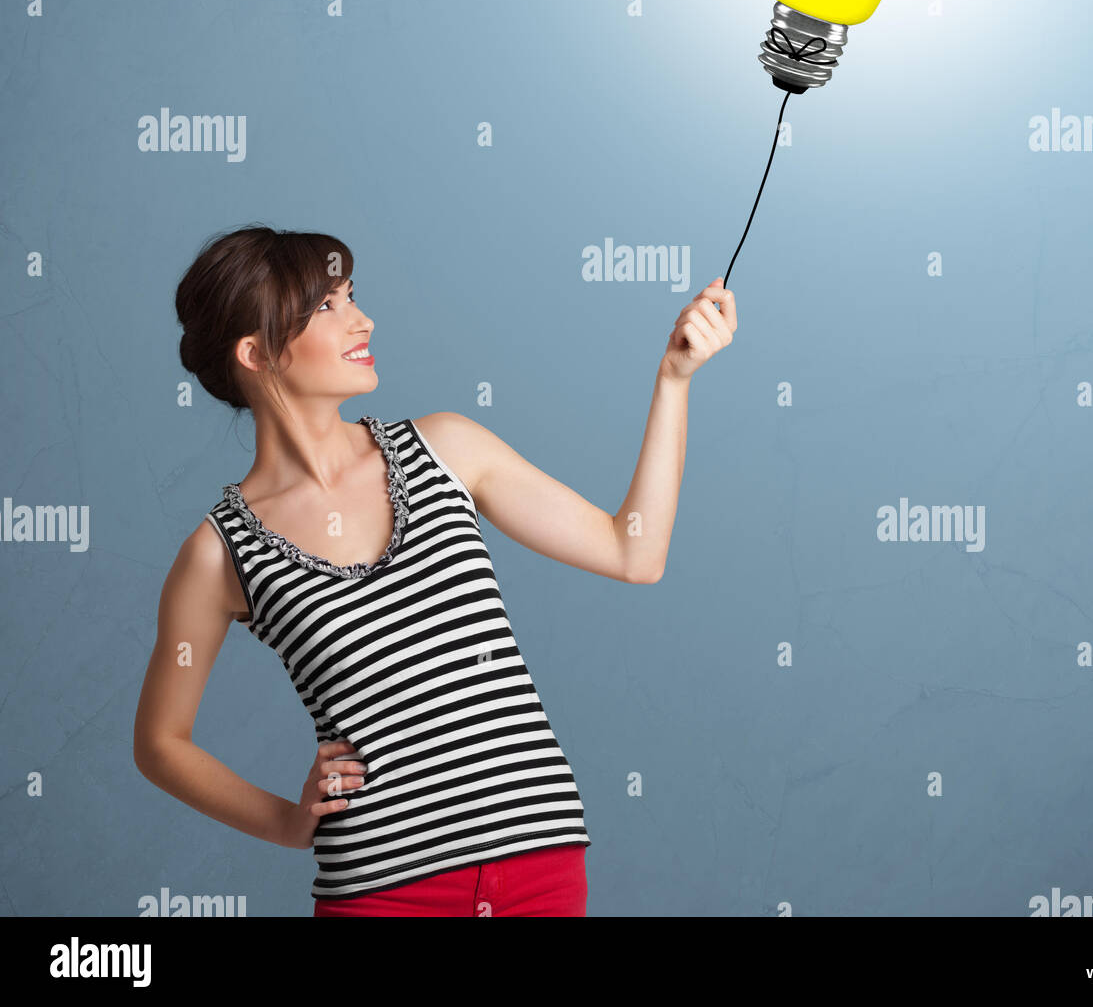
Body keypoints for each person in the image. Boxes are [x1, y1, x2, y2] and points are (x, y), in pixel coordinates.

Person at [133, 224, 737, 916]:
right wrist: (286, 822)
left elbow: (634, 551)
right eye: (328, 306)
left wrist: (673, 379)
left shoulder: (447, 447)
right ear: (257, 352)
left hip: (538, 864)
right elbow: (160, 743)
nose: (363, 318)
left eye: (351, 294)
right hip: (382, 893)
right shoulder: (217, 553)